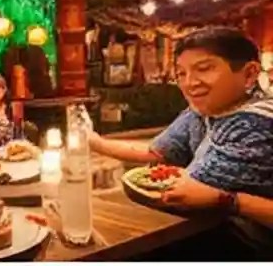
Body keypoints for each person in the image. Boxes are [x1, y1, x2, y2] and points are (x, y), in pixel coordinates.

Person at [88, 26, 273, 251]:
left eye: (203, 69)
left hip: (248, 244)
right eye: (181, 73)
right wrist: (93, 141)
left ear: (250, 74)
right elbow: (155, 153)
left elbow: (186, 191)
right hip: (208, 229)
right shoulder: (205, 109)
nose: (190, 83)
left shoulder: (255, 122)